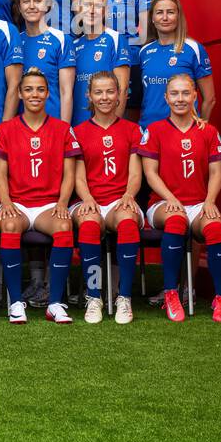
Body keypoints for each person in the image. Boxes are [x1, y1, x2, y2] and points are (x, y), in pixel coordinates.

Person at [139, 74, 221, 323]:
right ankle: (171, 293)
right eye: (175, 94)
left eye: (185, 93)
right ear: (166, 97)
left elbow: (216, 173)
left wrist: (210, 202)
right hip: (162, 203)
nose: (180, 99)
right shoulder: (154, 130)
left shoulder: (208, 131)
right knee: (177, 220)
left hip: (199, 202)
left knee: (215, 227)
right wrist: (170, 198)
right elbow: (150, 173)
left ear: (194, 96)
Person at [0, 69, 82, 325]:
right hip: (17, 204)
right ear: (20, 94)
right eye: (29, 89)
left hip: (48, 205)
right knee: (9, 225)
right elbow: (0, 174)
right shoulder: (7, 129)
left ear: (48, 93)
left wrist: (63, 203)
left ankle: (54, 302)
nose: (35, 94)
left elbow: (70, 173)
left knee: (64, 226)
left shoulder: (63, 129)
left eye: (40, 89)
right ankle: (16, 302)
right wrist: (7, 203)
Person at [71, 71, 144, 325]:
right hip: (88, 198)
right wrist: (87, 197)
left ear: (119, 95)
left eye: (110, 92)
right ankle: (94, 297)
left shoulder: (132, 130)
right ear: (89, 95)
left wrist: (128, 195)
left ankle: (124, 297)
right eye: (98, 92)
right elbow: (78, 176)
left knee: (127, 220)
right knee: (89, 223)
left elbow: (136, 173)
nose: (104, 97)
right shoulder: (78, 131)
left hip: (118, 199)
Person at [137, 0, 215, 129]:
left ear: (178, 16)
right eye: (160, 12)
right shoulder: (144, 52)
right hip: (148, 129)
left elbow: (210, 98)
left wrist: (200, 128)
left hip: (183, 131)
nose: (165, 18)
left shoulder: (194, 49)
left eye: (170, 12)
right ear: (152, 18)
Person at [11, 0, 75, 122]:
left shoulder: (61, 40)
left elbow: (66, 92)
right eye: (26, 1)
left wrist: (64, 131)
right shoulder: (15, 41)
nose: (32, 6)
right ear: (19, 7)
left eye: (37, 0)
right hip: (21, 128)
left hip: (52, 125)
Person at [67, 0, 131, 124]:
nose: (91, 11)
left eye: (97, 6)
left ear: (105, 10)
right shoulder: (74, 45)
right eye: (86, 5)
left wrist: (115, 127)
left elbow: (123, 88)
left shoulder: (115, 39)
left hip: (106, 126)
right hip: (78, 124)